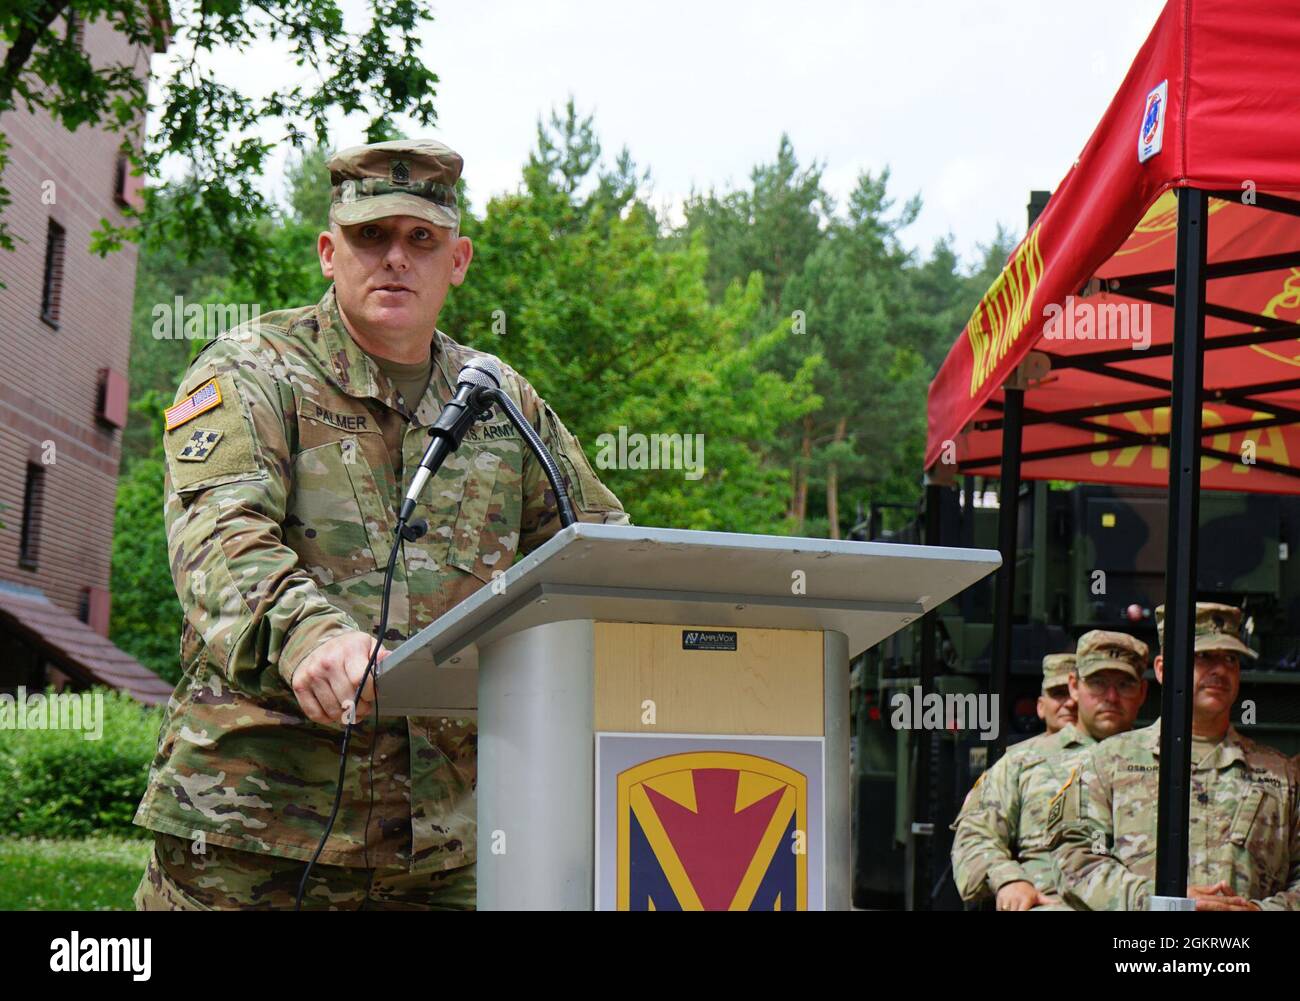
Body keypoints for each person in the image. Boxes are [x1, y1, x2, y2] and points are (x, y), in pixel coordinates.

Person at [132, 139, 629, 910]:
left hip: (443, 851)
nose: (395, 256)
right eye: (371, 236)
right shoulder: (253, 369)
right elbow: (219, 541)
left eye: (420, 239)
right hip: (251, 839)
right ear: (330, 252)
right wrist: (310, 637)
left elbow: (597, 556)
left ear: (457, 260)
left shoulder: (499, 402)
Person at [1053, 602, 1300, 911]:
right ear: (1161, 669)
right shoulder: (1106, 763)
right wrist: (1159, 902)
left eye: (1230, 659)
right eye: (1203, 657)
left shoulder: (1280, 774)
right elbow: (1076, 861)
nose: (1220, 669)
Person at [950, 632, 1147, 910]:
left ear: (1142, 692)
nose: (1111, 697)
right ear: (1075, 687)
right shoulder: (1023, 761)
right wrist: (1009, 880)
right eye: (1098, 683)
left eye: (1125, 684)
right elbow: (974, 835)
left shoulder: (1163, 763)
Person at [1037, 653, 1077, 735]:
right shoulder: (1019, 748)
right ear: (1041, 707)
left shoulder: (1108, 748)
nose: (1070, 703)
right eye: (1059, 693)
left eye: (1077, 694)